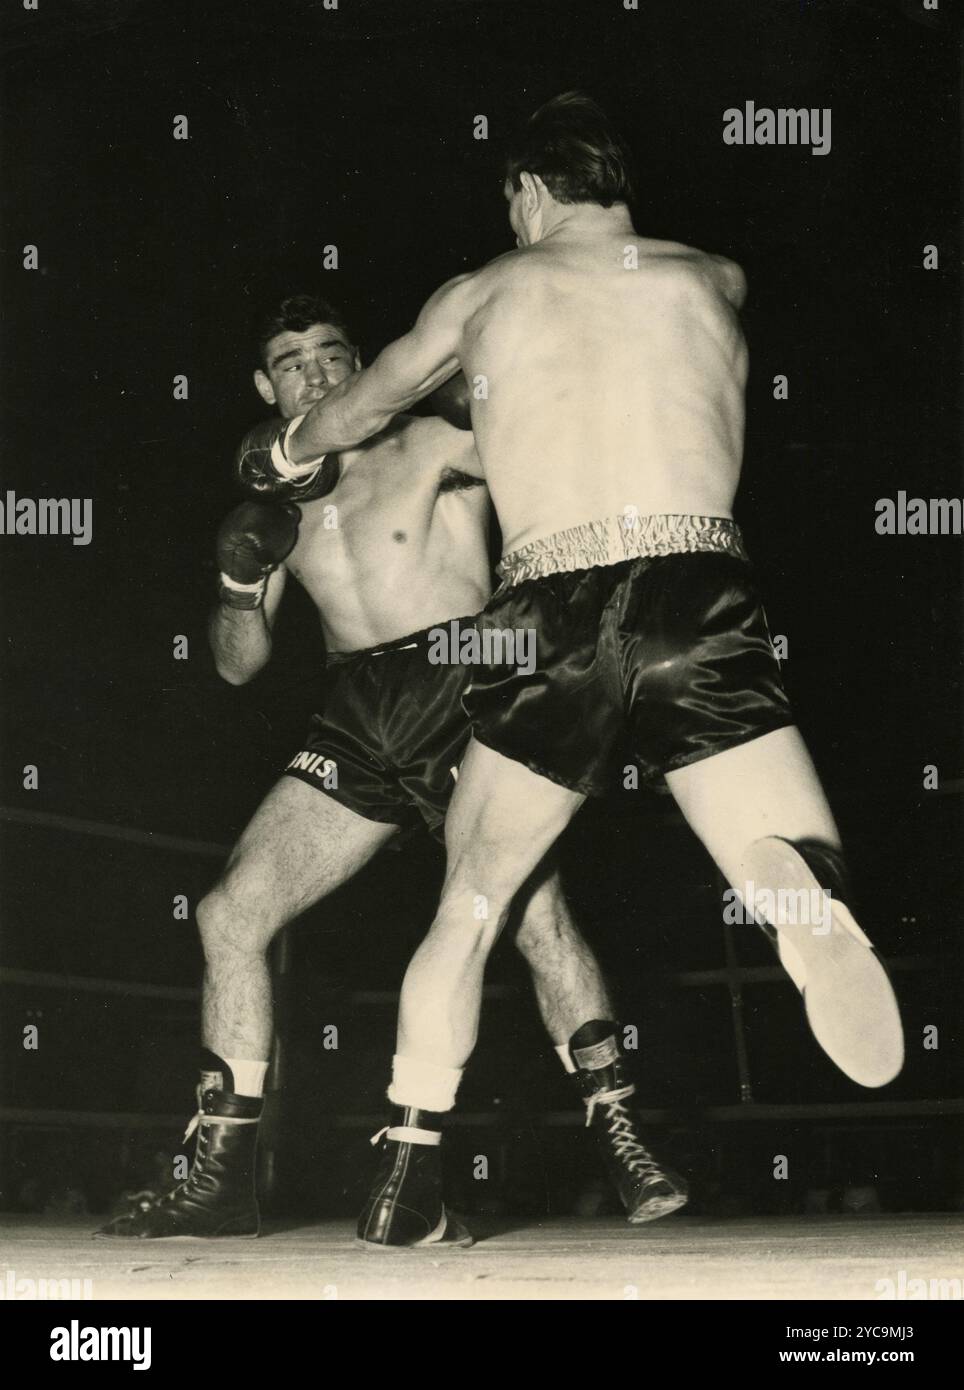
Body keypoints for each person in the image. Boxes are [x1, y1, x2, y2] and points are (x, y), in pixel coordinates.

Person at [239, 95, 905, 1241]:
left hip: (552, 606)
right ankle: (789, 895)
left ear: (530, 193)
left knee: (473, 899)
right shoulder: (716, 280)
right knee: (802, 848)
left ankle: (407, 1161)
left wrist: (287, 447)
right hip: (700, 587)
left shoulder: (485, 292)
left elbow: (362, 403)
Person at [96, 292, 686, 1246]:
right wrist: (238, 582)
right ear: (265, 388)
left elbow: (556, 448)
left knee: (534, 921)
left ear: (365, 364)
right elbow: (237, 663)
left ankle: (621, 1136)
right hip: (355, 714)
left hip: (466, 685)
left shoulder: (432, 446)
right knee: (230, 914)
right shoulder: (278, 507)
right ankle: (221, 1176)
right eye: (293, 364)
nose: (318, 377)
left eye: (333, 357)